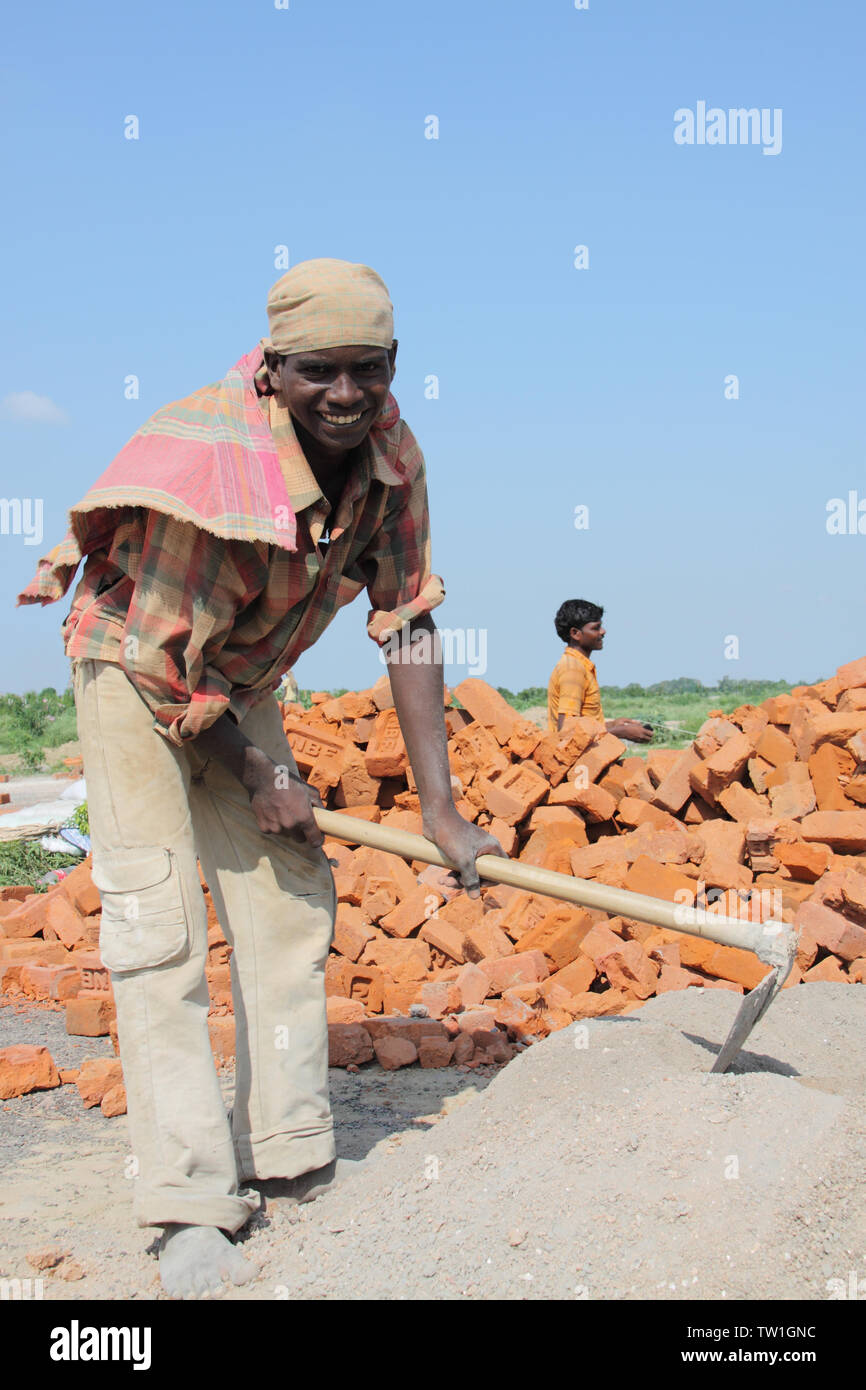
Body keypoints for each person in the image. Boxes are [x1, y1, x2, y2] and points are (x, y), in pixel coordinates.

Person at [17, 258, 504, 1298]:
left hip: (234, 673)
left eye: (364, 371)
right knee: (160, 932)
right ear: (273, 370)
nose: (344, 394)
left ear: (392, 365)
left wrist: (443, 809)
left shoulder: (392, 457)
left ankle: (283, 1144)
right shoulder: (212, 471)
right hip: (135, 669)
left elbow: (407, 619)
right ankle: (188, 1203)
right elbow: (162, 667)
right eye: (319, 370)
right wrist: (254, 767)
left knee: (286, 894)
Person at [548, 599, 652, 742]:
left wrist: (613, 724)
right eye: (596, 628)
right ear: (575, 633)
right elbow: (567, 730)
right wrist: (620, 732)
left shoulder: (580, 666)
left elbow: (584, 724)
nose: (603, 632)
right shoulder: (573, 670)